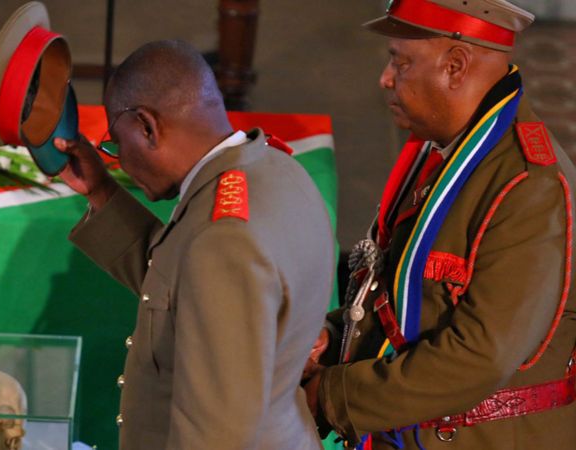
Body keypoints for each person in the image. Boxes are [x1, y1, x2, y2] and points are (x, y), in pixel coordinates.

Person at [303, 1, 576, 449]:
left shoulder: (529, 188)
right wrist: (333, 339)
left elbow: (478, 357)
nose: (386, 79)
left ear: (454, 67)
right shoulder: (445, 150)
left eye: (400, 62)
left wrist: (334, 395)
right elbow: (403, 295)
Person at [54, 40, 334, 450]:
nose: (120, 160)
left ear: (147, 126)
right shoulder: (274, 169)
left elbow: (217, 435)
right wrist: (100, 191)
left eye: (117, 143)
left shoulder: (223, 238)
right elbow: (179, 284)